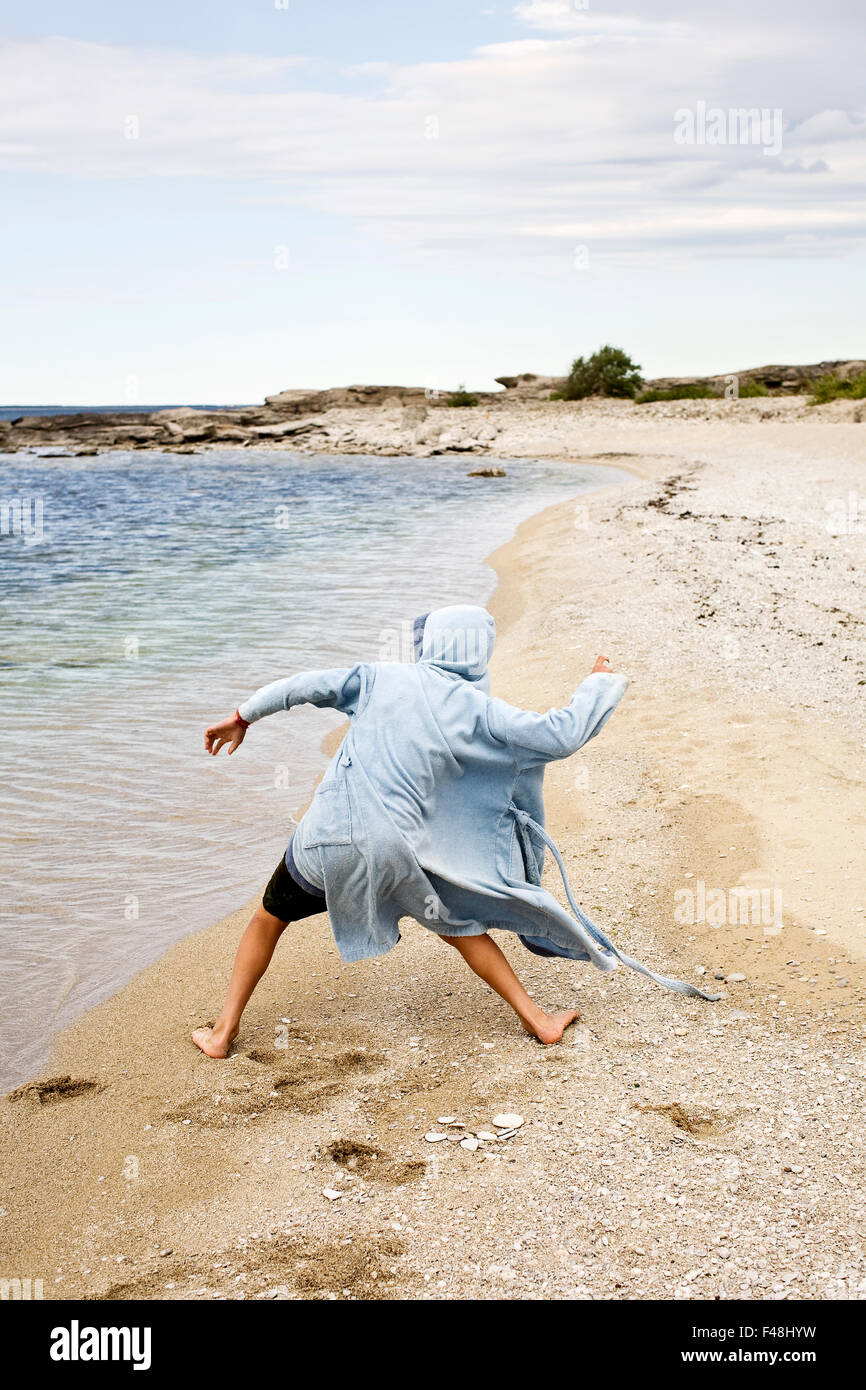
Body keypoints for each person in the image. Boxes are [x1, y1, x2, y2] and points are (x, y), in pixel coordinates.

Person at [193, 605, 717, 1059]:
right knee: (460, 926)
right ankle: (538, 1020)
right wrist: (598, 680)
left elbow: (301, 686)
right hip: (406, 854)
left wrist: (243, 716)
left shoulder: (378, 678)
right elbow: (562, 733)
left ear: (429, 644)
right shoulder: (481, 711)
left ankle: (223, 1032)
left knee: (267, 920)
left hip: (329, 839)